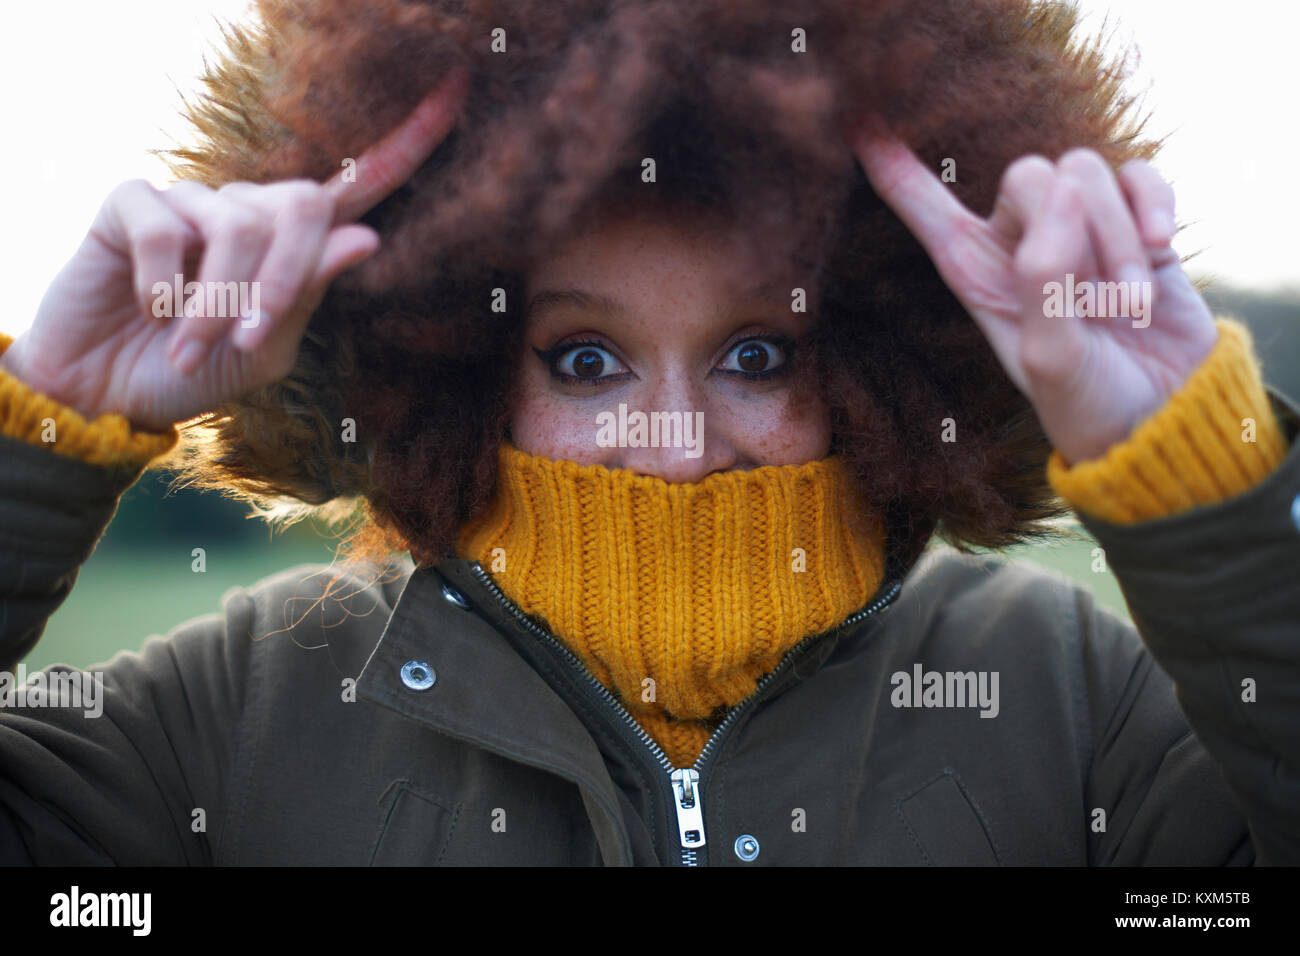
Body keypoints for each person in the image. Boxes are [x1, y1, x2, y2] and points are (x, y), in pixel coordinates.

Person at [0, 0, 1297, 866]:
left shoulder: (1072, 694)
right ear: (449, 367)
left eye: (757, 355)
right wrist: (48, 426)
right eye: (583, 358)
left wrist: (1210, 488)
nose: (675, 443)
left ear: (875, 364)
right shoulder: (232, 714)